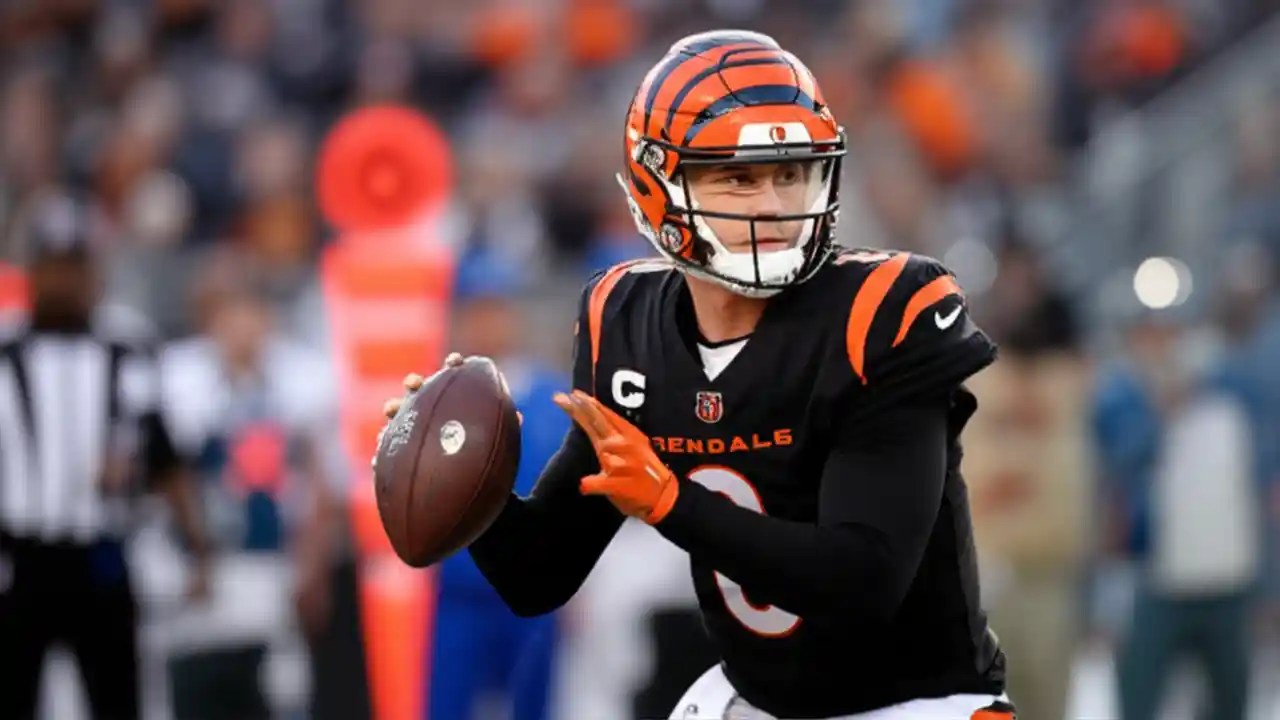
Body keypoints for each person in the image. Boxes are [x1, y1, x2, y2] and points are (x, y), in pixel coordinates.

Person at [383, 31, 1011, 720]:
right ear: (659, 185)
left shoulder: (882, 311)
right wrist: (470, 483)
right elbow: (540, 576)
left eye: (792, 172)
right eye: (738, 176)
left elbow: (864, 580)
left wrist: (670, 502)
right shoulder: (623, 319)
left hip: (914, 704)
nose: (773, 205)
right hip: (757, 699)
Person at [0, 192, 211, 720]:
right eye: (53, 267)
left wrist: (197, 546)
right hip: (21, 559)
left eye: (75, 267)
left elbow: (165, 459)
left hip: (103, 556)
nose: (64, 282)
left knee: (118, 698)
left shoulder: (127, 347)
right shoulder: (5, 354)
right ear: (33, 270)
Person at [425, 250, 567, 720]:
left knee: (533, 704)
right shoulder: (435, 397)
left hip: (531, 589)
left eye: (497, 309)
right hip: (457, 589)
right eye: (476, 311)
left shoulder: (552, 399)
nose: (488, 323)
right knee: (446, 702)